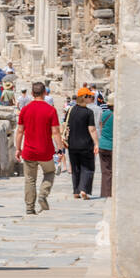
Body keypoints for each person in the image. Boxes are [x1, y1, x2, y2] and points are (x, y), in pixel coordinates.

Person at [16, 81, 64, 215]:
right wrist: (60, 149)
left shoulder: (25, 110)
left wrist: (18, 148)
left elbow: (20, 131)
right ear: (45, 93)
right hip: (45, 151)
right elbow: (55, 132)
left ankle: (30, 207)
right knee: (49, 173)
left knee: (30, 179)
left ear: (32, 94)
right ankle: (43, 194)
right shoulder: (51, 110)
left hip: (29, 151)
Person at [65, 88, 100, 199]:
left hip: (72, 144)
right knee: (88, 167)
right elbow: (92, 129)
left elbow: (66, 125)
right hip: (85, 144)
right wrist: (96, 144)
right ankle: (84, 190)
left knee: (75, 168)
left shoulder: (71, 110)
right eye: (90, 96)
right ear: (84, 97)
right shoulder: (88, 112)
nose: (91, 98)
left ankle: (76, 191)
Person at [97, 99, 114, 198]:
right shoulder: (119, 116)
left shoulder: (104, 114)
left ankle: (105, 193)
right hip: (113, 145)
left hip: (103, 144)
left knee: (105, 171)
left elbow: (101, 126)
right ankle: (112, 192)